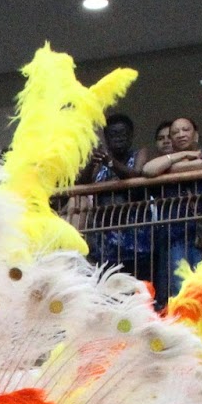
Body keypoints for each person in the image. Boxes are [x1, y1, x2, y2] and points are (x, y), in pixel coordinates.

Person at [143, 117, 202, 304]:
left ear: (195, 134)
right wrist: (182, 156)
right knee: (180, 289)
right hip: (176, 234)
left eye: (185, 130)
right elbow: (149, 170)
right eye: (175, 132)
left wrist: (170, 169)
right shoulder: (165, 159)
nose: (181, 134)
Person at [78, 112, 154, 281]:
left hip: (136, 240)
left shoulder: (140, 154)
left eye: (122, 134)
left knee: (140, 290)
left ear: (131, 135)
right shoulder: (100, 163)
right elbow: (82, 184)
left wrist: (111, 162)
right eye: (113, 134)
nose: (118, 138)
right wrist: (91, 163)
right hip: (106, 243)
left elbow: (136, 176)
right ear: (106, 137)